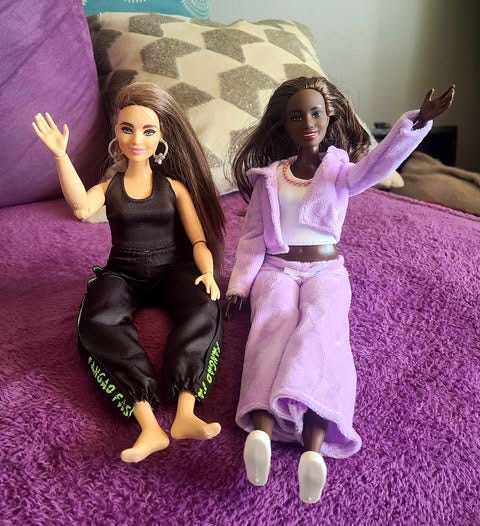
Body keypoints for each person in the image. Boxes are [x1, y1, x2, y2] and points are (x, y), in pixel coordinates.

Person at [225, 77, 454, 503]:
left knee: (322, 331)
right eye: (296, 116)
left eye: (315, 113)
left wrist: (417, 122)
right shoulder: (269, 178)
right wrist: (238, 286)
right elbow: (252, 238)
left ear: (329, 117)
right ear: (284, 125)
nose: (308, 122)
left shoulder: (340, 170)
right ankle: (261, 432)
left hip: (325, 271)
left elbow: (378, 165)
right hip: (277, 268)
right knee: (270, 327)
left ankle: (313, 450)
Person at [33, 82, 225, 463]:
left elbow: (199, 240)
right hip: (122, 273)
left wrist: (207, 272)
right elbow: (81, 208)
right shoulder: (110, 187)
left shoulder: (174, 188)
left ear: (161, 137)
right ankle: (148, 424)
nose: (137, 140)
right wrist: (61, 156)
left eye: (148, 131)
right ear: (116, 134)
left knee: (204, 307)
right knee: (98, 319)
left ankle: (185, 412)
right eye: (127, 129)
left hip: (172, 268)